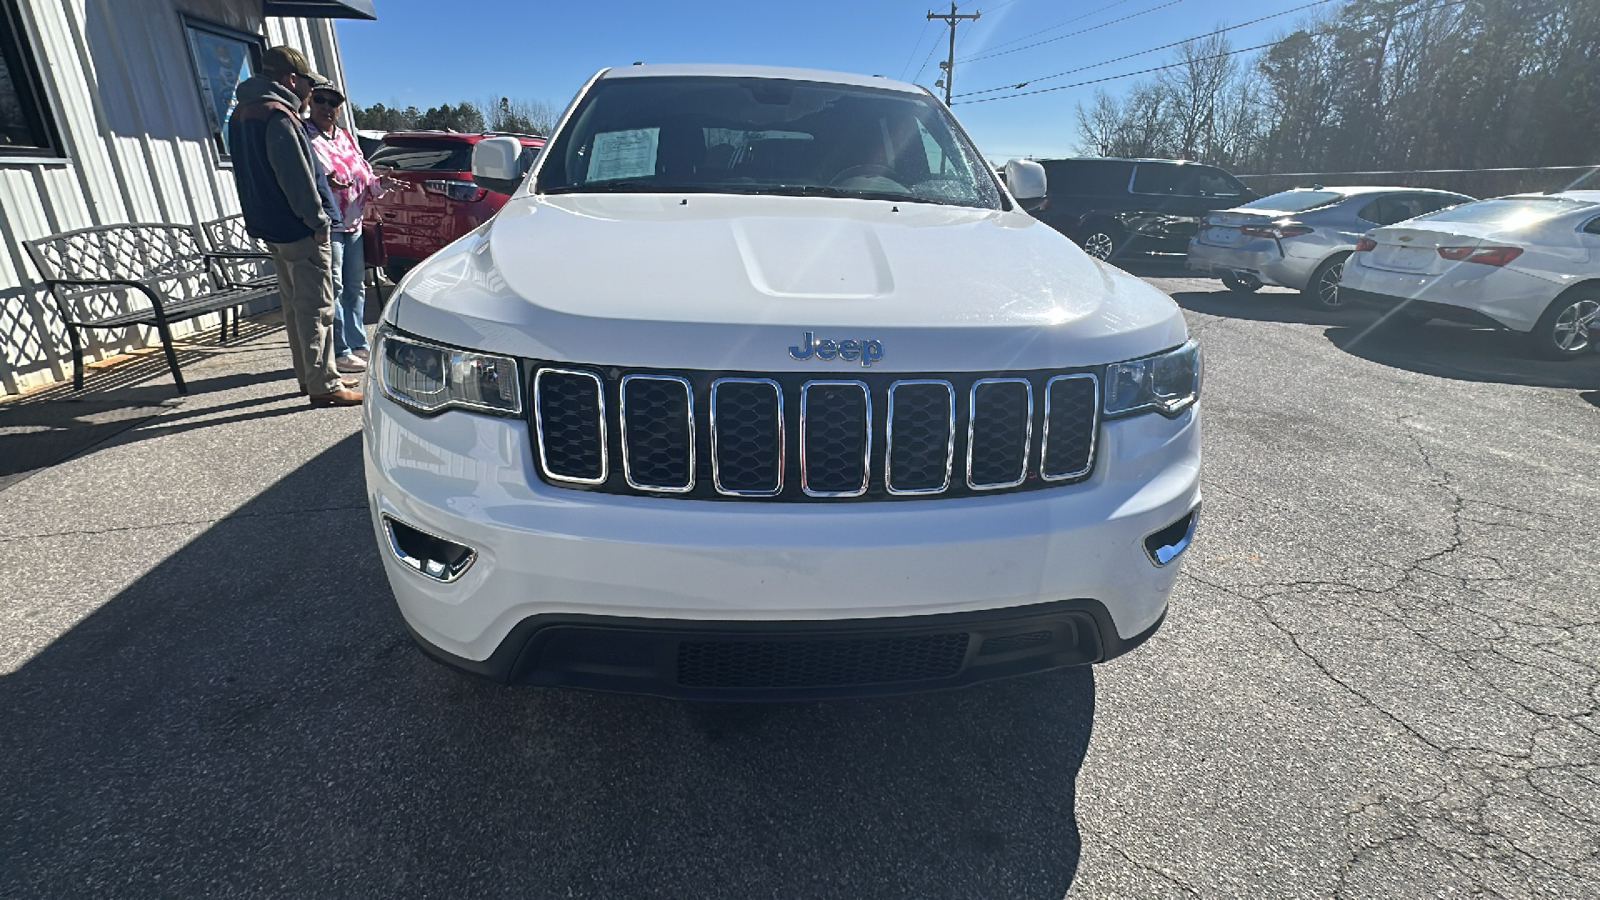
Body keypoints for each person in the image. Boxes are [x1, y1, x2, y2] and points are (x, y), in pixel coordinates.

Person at [225, 45, 361, 407]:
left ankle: (313, 375)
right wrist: (318, 222)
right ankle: (324, 385)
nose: (310, 92)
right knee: (316, 307)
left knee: (295, 307)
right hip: (299, 228)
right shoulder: (279, 114)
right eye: (307, 84)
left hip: (271, 226)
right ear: (291, 78)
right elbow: (295, 178)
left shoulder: (242, 113)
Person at [302, 78, 398, 374]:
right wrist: (323, 182)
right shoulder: (304, 134)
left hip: (354, 222)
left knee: (355, 287)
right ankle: (340, 349)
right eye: (321, 100)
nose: (327, 107)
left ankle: (358, 344)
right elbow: (305, 175)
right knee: (335, 287)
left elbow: (365, 176)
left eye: (334, 103)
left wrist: (381, 183)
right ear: (310, 101)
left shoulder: (344, 135)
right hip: (327, 224)